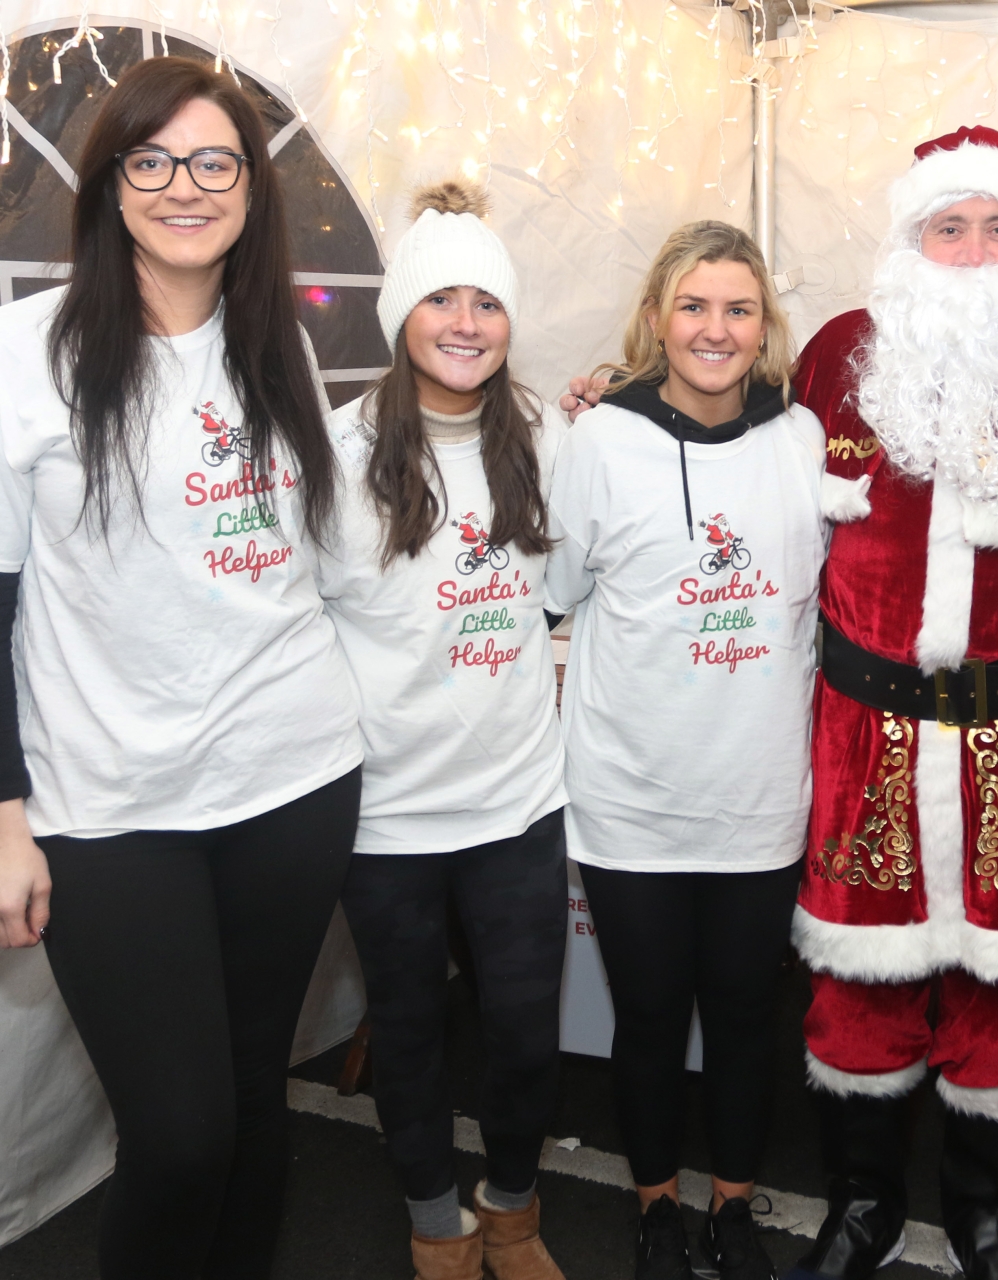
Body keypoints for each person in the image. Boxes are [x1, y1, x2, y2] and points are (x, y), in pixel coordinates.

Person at [0, 57, 360, 1278]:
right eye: (152, 161)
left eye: (216, 162)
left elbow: (313, 561)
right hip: (112, 807)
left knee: (259, 1102)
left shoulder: (279, 348)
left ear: (252, 188)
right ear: (109, 185)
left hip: (295, 778)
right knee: (181, 1129)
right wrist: (3, 816)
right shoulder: (26, 354)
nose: (185, 186)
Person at [783, 127, 998, 1280]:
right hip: (864, 728)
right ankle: (861, 1207)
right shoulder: (833, 361)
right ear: (907, 242)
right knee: (858, 983)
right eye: (948, 227)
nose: (974, 254)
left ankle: (988, 1216)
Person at [544, 220, 828, 1280]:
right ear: (659, 318)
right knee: (651, 1014)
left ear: (765, 326)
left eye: (738, 308)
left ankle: (735, 1203)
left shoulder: (800, 440)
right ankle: (657, 1201)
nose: (716, 328)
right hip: (631, 797)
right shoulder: (600, 440)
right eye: (695, 305)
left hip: (760, 794)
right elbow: (555, 589)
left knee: (749, 1016)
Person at [317, 181, 569, 1280]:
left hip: (516, 797)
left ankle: (511, 1208)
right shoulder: (335, 450)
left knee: (523, 1028)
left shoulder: (549, 436)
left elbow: (560, 591)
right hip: (384, 811)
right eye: (441, 301)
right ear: (402, 319)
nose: (465, 322)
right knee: (410, 1030)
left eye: (486, 303)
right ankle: (434, 1220)